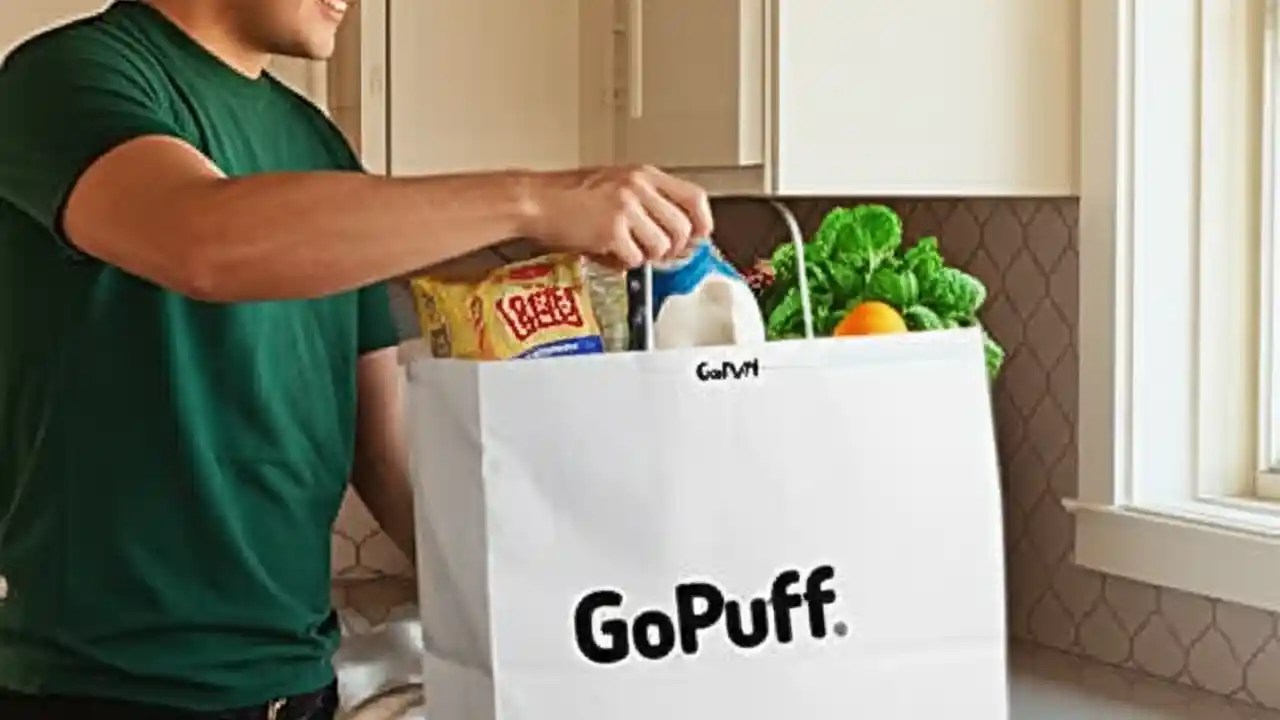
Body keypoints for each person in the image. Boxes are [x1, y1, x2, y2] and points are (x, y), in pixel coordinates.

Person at [0, 0, 712, 717]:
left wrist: (567, 618)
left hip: (297, 683)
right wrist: (532, 200)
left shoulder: (315, 141)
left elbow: (387, 448)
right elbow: (203, 241)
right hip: (108, 689)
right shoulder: (65, 77)